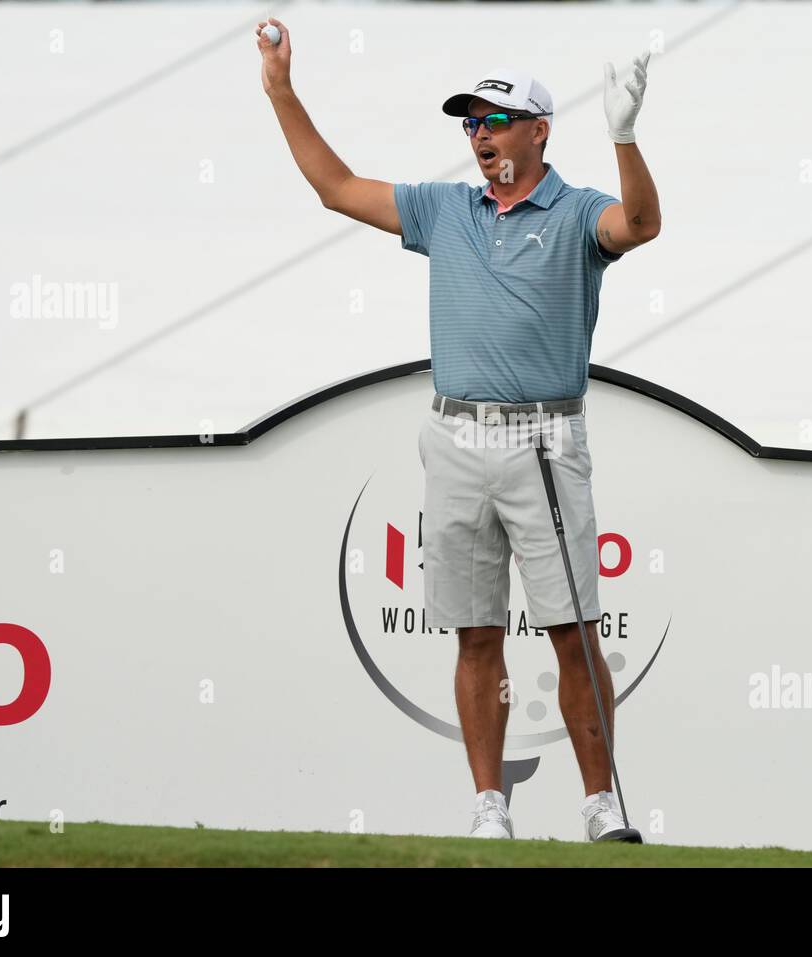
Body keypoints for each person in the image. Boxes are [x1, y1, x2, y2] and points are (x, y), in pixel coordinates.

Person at [257, 18, 661, 841]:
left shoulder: (577, 211)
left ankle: (599, 802)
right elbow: (336, 187)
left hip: (546, 441)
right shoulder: (445, 210)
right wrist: (281, 90)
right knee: (477, 634)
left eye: (496, 120)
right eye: (471, 123)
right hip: (455, 438)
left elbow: (640, 224)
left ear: (538, 131)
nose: (480, 135)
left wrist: (624, 138)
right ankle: (489, 804)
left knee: (572, 632)